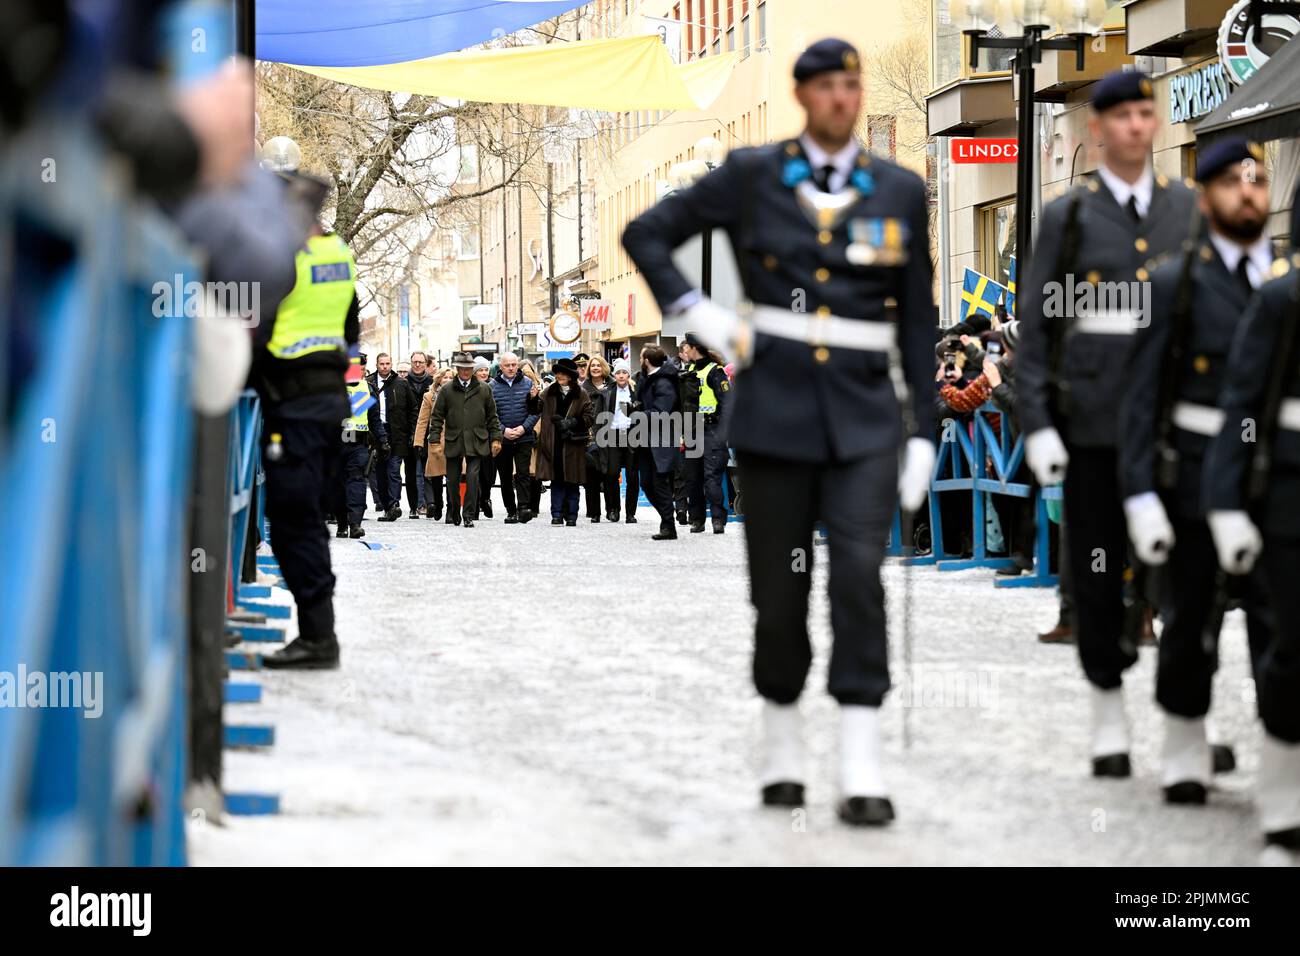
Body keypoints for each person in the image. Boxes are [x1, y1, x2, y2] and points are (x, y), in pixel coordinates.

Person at [622, 38, 935, 824]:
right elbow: (647, 234)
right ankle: (784, 742)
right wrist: (705, 320)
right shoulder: (753, 175)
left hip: (865, 419)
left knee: (860, 580)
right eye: (827, 86)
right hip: (775, 419)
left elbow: (919, 321)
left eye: (852, 86)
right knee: (780, 592)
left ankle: (861, 761)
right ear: (803, 96)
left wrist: (922, 433)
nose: (842, 98)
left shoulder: (898, 189)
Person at [1017, 70, 1198, 778]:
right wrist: (1036, 422)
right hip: (1090, 420)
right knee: (1092, 571)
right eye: (1118, 116)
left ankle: (1186, 717)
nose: (1131, 126)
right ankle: (1107, 714)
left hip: (1170, 423)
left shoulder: (1187, 208)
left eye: (1142, 114)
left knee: (1185, 568)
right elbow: (1037, 326)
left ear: (1154, 125)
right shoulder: (1071, 216)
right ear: (1098, 132)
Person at [1122, 139, 1278, 804]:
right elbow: (1138, 400)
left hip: (1275, 474)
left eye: (1258, 180)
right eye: (1232, 182)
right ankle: (1186, 735)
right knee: (1192, 617)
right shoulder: (1172, 284)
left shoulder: (1286, 280)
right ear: (1206, 196)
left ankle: (1282, 747)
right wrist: (1139, 496)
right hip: (1193, 471)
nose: (1248, 193)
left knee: (1282, 620)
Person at [1201, 178, 1300, 850]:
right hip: (1291, 499)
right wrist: (1227, 505)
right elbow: (1240, 407)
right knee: (1291, 647)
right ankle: (1285, 797)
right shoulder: (1281, 301)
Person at [250, 215, 363, 670]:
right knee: (308, 520)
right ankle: (318, 633)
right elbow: (351, 332)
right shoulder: (335, 256)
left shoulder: (281, 258)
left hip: (292, 406)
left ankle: (318, 637)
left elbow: (254, 330)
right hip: (327, 401)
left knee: (295, 523)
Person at [428, 353, 502, 528]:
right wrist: (434, 440)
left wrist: (496, 438)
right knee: (452, 480)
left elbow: (492, 416)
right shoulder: (447, 390)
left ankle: (468, 513)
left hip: (477, 440)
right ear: (457, 369)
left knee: (472, 478)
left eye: (469, 368)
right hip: (454, 440)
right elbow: (437, 417)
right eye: (462, 368)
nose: (466, 371)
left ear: (472, 370)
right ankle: (454, 509)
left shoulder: (484, 389)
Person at [679, 331, 732, 534]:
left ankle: (718, 519)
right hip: (693, 430)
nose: (685, 351)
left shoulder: (715, 372)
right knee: (692, 478)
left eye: (687, 348)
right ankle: (697, 519)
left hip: (712, 430)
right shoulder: (688, 370)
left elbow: (727, 403)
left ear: (695, 349)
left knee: (712, 478)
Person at [630, 346, 683, 539]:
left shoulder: (664, 382)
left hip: (661, 439)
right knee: (646, 483)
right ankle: (668, 517)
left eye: (642, 356)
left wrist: (637, 415)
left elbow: (662, 413)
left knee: (660, 483)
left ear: (646, 360)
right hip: (646, 439)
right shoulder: (647, 378)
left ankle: (668, 526)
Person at [536, 358, 594, 526]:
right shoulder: (549, 392)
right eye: (558, 373)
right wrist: (532, 398)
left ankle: (571, 515)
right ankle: (556, 514)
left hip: (573, 444)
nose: (559, 376)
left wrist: (572, 422)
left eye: (563, 373)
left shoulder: (581, 394)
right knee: (557, 480)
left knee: (573, 481)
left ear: (570, 376)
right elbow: (535, 409)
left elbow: (589, 417)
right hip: (553, 443)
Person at [491, 352, 540, 523]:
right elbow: (490, 414)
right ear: (501, 366)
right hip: (503, 439)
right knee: (505, 477)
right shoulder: (492, 386)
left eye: (514, 364)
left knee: (523, 473)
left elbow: (536, 411)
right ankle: (510, 510)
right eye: (507, 365)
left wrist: (524, 428)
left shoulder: (528, 384)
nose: (511, 368)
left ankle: (524, 507)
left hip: (523, 437)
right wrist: (503, 430)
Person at [367, 353, 416, 521]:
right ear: (377, 364)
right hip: (376, 432)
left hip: (397, 432)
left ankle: (394, 504)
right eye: (382, 364)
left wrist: (411, 432)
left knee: (394, 470)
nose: (385, 367)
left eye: (388, 363)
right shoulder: (368, 383)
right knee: (380, 471)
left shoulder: (401, 384)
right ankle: (387, 506)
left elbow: (412, 409)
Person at [336, 352, 379, 539]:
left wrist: (383, 441)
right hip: (336, 443)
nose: (361, 371)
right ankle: (342, 523)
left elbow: (374, 419)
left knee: (357, 481)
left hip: (358, 444)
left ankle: (355, 524)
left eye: (362, 368)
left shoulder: (367, 388)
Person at [413, 368, 453, 522]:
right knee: (436, 477)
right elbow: (422, 420)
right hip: (435, 441)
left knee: (452, 477)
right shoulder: (429, 396)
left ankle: (451, 508)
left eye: (451, 377)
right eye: (445, 377)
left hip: (453, 440)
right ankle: (438, 504)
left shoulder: (458, 395)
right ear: (439, 380)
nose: (448, 380)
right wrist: (418, 441)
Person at [582, 355, 619, 522]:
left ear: (604, 367)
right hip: (590, 436)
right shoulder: (584, 389)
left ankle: (613, 509)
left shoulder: (614, 386)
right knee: (592, 475)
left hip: (612, 435)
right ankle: (594, 512)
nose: (595, 368)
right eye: (592, 366)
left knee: (611, 474)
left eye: (598, 365)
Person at [607, 358, 641, 523]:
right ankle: (614, 509)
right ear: (614, 375)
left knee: (633, 476)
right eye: (618, 373)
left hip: (631, 435)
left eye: (624, 372)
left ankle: (630, 513)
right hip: (613, 434)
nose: (621, 376)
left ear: (628, 375)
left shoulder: (635, 392)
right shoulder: (608, 391)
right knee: (612, 473)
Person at [403, 352, 434, 518]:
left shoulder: (432, 382)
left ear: (425, 363)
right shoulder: (403, 383)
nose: (417, 365)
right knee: (410, 472)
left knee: (428, 469)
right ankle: (414, 506)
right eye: (414, 362)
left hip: (428, 432)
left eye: (420, 362)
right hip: (408, 431)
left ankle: (429, 503)